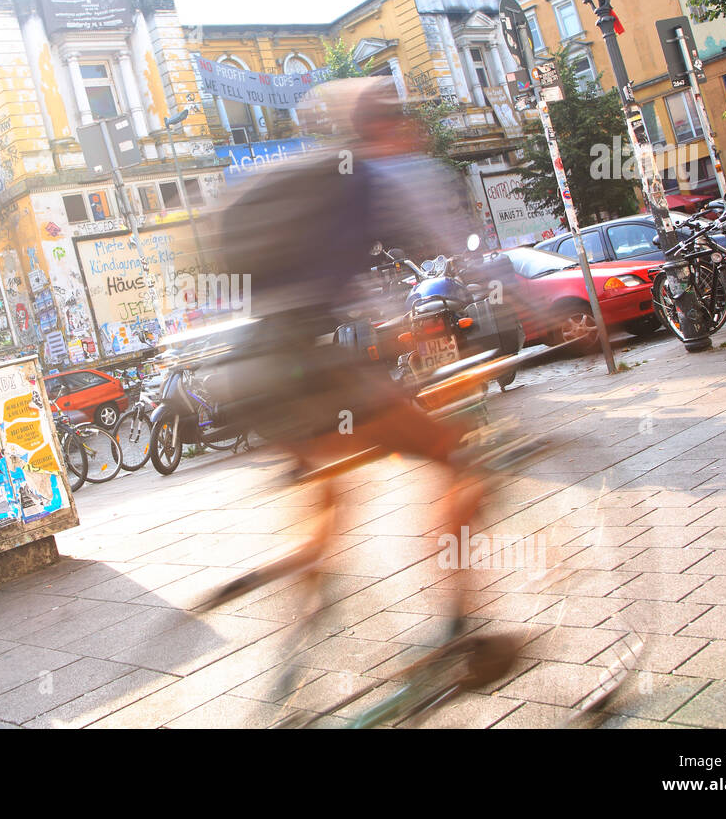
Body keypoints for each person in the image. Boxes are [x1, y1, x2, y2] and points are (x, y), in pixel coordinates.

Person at [204, 76, 503, 635]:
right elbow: (468, 256)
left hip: (250, 368)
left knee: (333, 484)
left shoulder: (316, 182)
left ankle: (299, 600)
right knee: (452, 456)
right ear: (391, 125)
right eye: (404, 122)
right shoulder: (387, 174)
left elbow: (354, 292)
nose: (411, 132)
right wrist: (545, 316)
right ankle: (461, 630)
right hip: (309, 363)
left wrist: (387, 331)